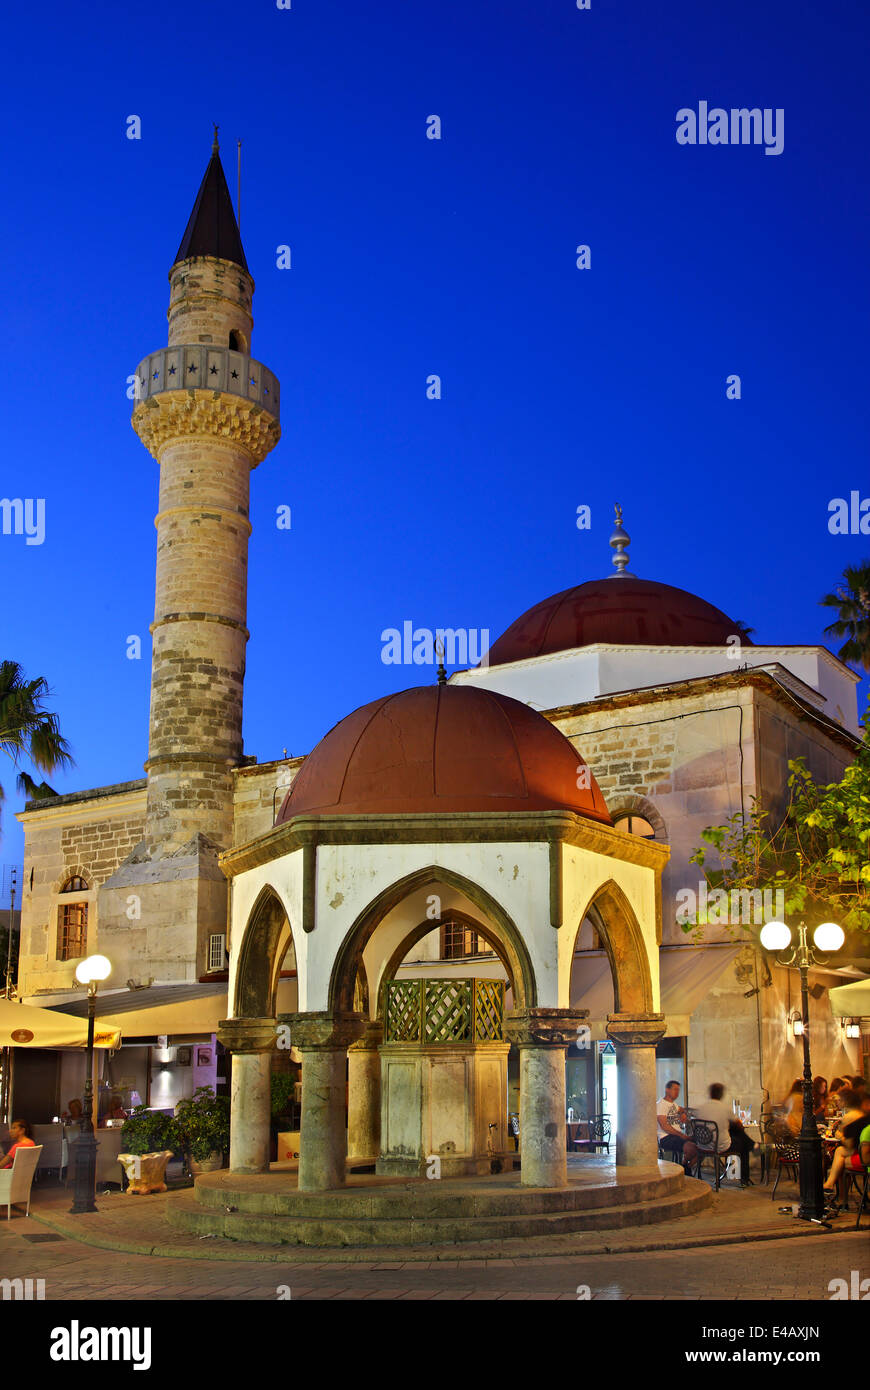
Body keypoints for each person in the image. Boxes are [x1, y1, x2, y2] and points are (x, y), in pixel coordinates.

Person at [824, 1090, 870, 1204]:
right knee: (839, 1156)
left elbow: (849, 1143)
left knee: (839, 1156)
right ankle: (836, 1192)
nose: (837, 1103)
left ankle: (838, 1195)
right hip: (861, 1150)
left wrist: (840, 1136)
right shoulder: (861, 1114)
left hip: (860, 1153)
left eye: (838, 1100)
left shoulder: (849, 1117)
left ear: (845, 1101)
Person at [656, 1080, 698, 1172]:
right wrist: (681, 1135)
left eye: (678, 1090)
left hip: (676, 1136)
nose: (677, 1092)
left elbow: (681, 1109)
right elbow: (665, 1126)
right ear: (667, 1090)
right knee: (692, 1147)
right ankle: (685, 1167)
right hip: (666, 1138)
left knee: (702, 1146)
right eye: (675, 1089)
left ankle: (685, 1167)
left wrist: (682, 1113)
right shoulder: (660, 1105)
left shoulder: (674, 1104)